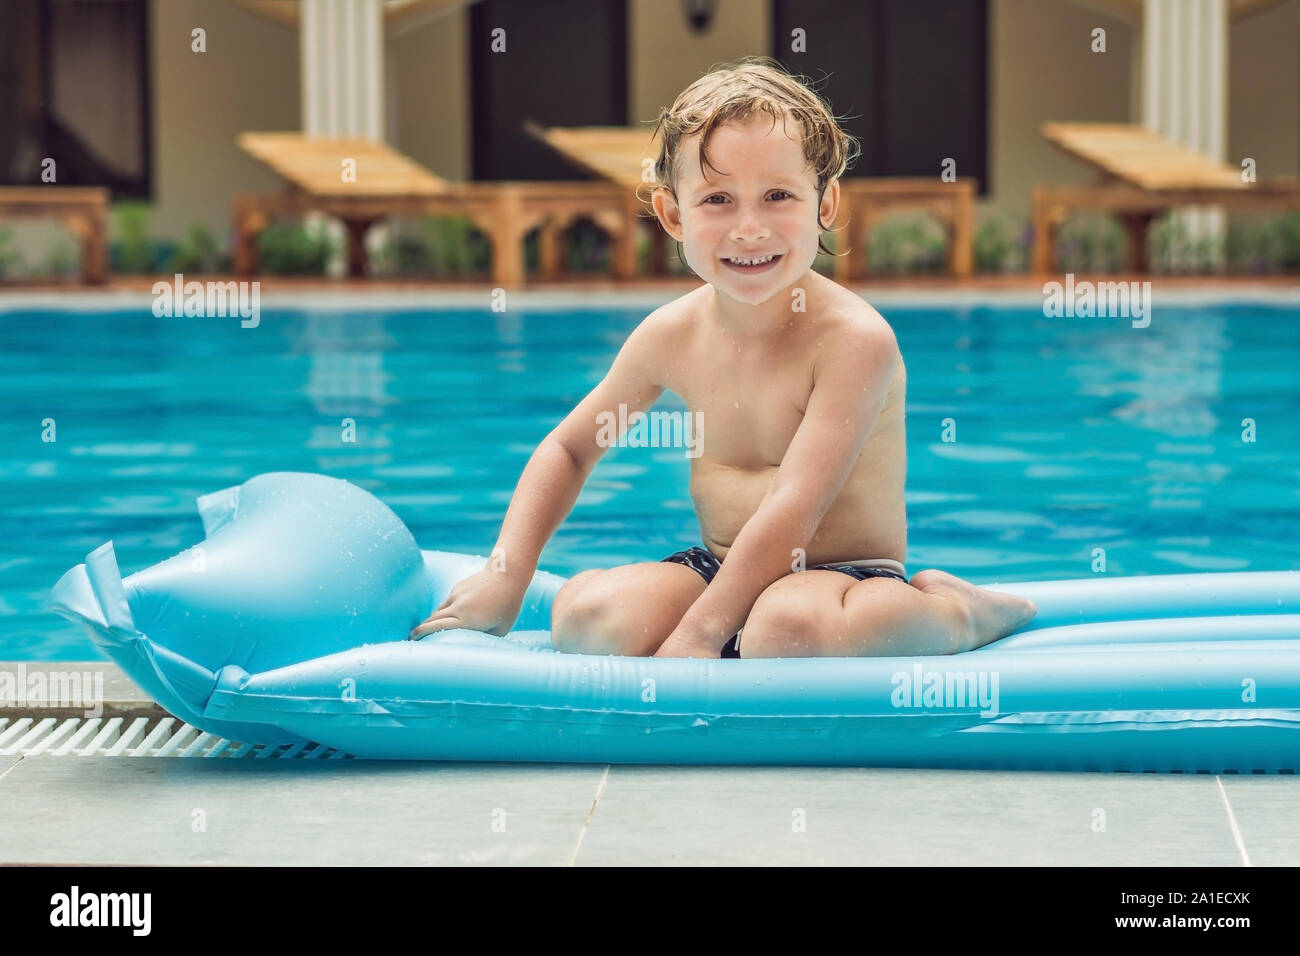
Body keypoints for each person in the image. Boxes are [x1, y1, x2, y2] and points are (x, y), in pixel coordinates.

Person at [410, 56, 1036, 658]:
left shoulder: (853, 341)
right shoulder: (671, 335)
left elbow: (795, 503)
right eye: (717, 200)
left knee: (786, 630)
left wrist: (700, 634)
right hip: (717, 567)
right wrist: (508, 574)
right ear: (671, 214)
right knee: (589, 621)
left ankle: (961, 610)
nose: (749, 228)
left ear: (826, 206)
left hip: (841, 581)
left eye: (778, 196)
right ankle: (727, 621)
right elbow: (570, 448)